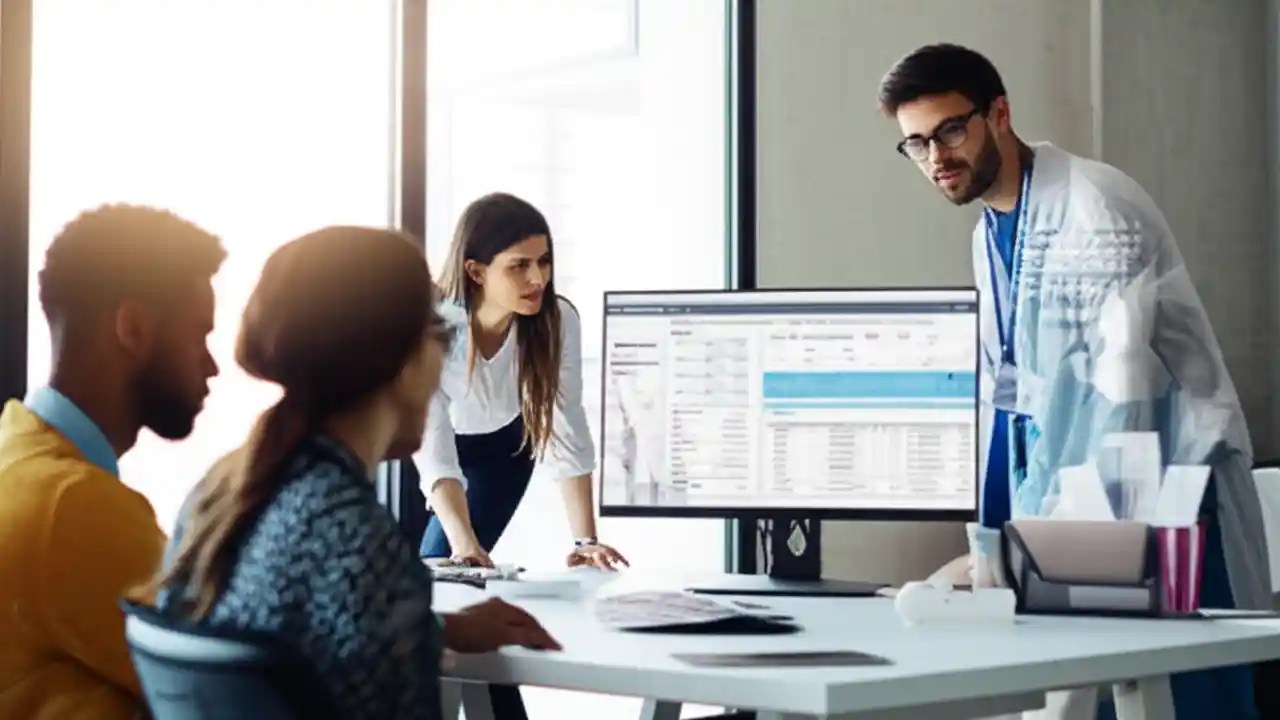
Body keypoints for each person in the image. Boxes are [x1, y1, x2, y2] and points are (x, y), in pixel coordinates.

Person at [878, 43, 1269, 719]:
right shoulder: (994, 227)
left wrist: (1015, 551)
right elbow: (1015, 397)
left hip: (1160, 505)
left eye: (950, 130)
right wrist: (996, 541)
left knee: (1176, 701)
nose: (936, 158)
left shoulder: (1094, 213)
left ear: (999, 113)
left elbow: (1112, 409)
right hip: (1080, 513)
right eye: (915, 144)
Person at [144, 226, 560, 720]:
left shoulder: (218, 495)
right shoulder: (356, 536)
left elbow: (292, 643)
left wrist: (427, 631)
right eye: (441, 338)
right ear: (400, 358)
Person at [0, 205, 224, 719]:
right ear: (133, 328)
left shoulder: (18, 448)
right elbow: (231, 696)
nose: (210, 366)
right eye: (199, 336)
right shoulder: (71, 503)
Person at [416, 193, 628, 572]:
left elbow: (566, 424)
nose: (538, 279)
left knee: (459, 570)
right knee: (429, 570)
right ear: (477, 272)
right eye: (519, 266)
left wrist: (586, 542)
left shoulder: (558, 320)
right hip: (428, 442)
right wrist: (463, 542)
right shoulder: (435, 327)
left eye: (544, 262)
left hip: (502, 452)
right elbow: (435, 449)